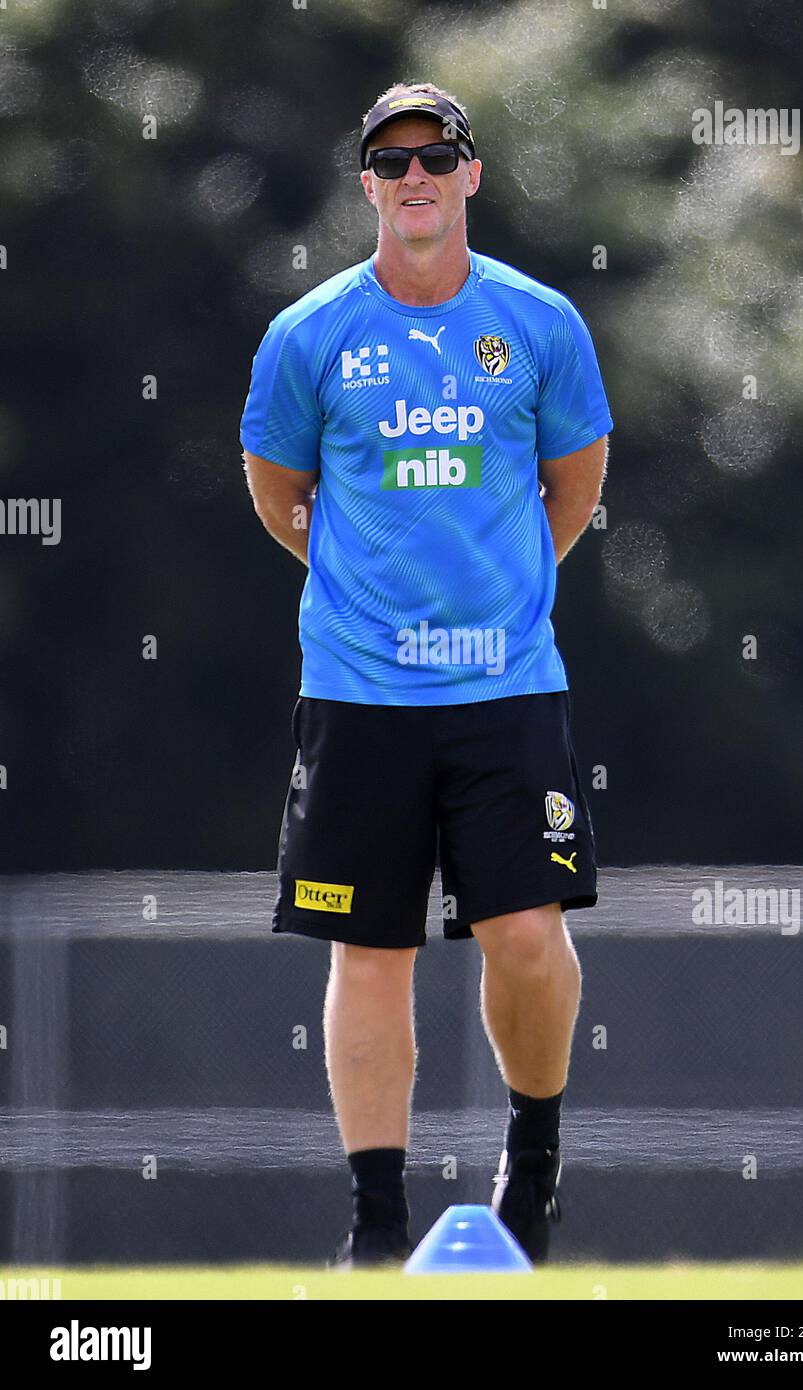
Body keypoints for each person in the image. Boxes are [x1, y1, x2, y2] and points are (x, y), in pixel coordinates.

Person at [239, 81, 613, 1268]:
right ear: (366, 183)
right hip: (358, 694)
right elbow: (277, 490)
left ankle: (535, 1159)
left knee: (525, 937)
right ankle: (373, 1225)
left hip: (505, 686)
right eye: (390, 159)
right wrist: (366, 588)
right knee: (371, 951)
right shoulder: (309, 335)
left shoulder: (537, 323)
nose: (413, 176)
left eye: (434, 155)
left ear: (469, 175)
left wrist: (493, 597)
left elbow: (572, 486)